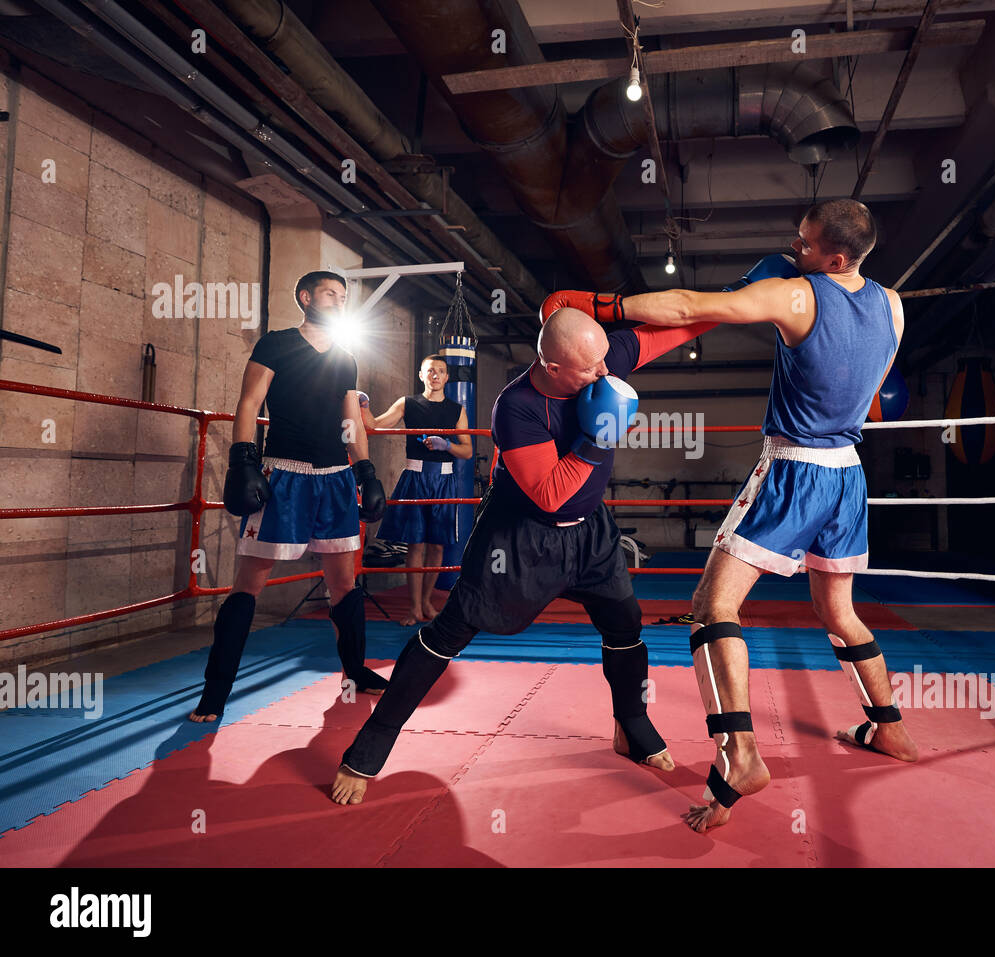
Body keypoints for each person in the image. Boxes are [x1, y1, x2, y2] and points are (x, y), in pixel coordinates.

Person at [544, 199, 917, 832]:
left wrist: (601, 306)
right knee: (839, 611)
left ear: (837, 258)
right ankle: (889, 730)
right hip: (849, 473)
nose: (793, 250)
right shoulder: (893, 305)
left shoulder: (799, 295)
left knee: (713, 606)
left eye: (805, 246)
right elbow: (870, 377)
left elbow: (691, 306)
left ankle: (740, 756)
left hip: (795, 471)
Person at [329, 307, 725, 805]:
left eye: (605, 362)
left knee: (625, 626)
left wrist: (736, 303)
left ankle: (632, 723)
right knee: (449, 633)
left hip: (591, 536)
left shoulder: (598, 361)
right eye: (590, 369)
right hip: (518, 536)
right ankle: (370, 744)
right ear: (552, 366)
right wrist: (599, 438)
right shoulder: (516, 407)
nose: (604, 374)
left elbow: (675, 329)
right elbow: (551, 494)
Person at [190, 270, 389, 722]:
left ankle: (355, 671)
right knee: (249, 585)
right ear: (305, 296)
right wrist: (243, 460)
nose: (339, 302)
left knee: (344, 584)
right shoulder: (275, 343)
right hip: (286, 475)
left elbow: (351, 420)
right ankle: (215, 692)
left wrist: (367, 472)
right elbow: (249, 402)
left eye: (343, 297)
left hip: (336, 478)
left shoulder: (345, 357)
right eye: (330, 294)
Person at [364, 356, 473, 625]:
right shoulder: (407, 403)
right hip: (415, 477)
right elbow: (374, 425)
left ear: (447, 377)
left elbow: (468, 451)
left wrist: (447, 446)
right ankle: (414, 608)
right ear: (421, 375)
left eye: (441, 371)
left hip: (444, 481)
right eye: (430, 371)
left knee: (437, 546)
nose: (435, 375)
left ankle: (426, 602)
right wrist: (362, 404)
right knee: (415, 543)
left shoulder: (456, 410)